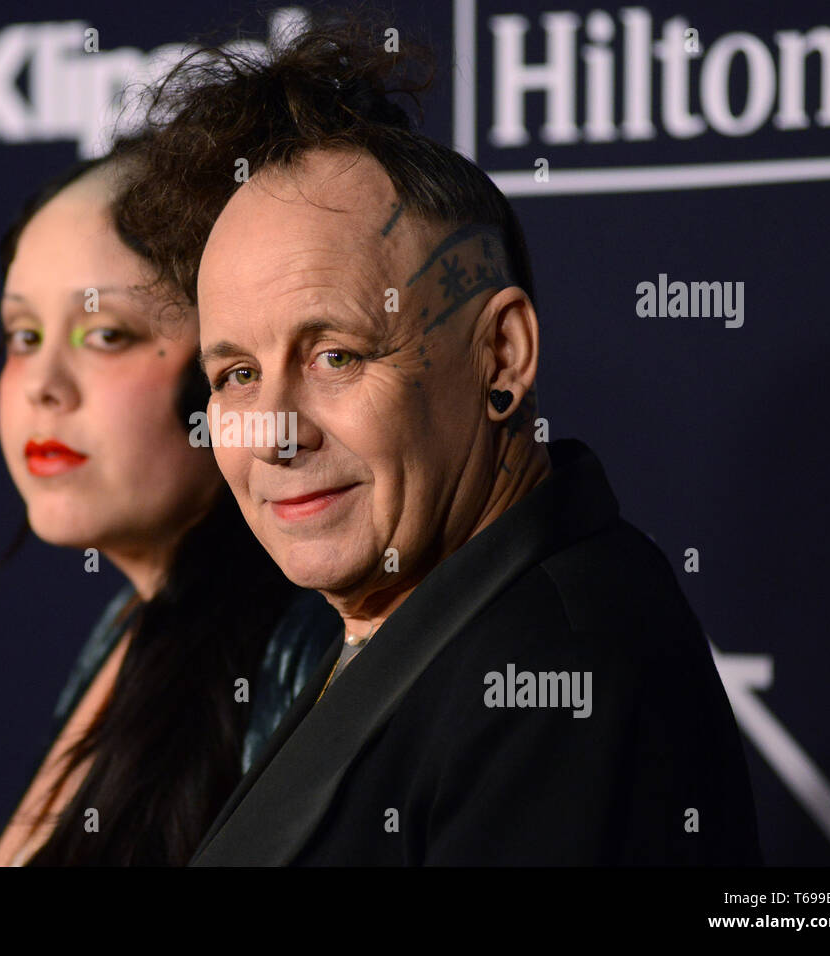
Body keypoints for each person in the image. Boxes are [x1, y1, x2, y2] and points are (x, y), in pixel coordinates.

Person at [112, 16, 763, 864]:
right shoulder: (405, 625)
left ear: (500, 355)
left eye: (335, 356)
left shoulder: (552, 677)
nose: (274, 432)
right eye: (236, 374)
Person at [0, 139, 340, 866]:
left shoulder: (310, 652)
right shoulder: (129, 625)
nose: (43, 384)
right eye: (24, 335)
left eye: (107, 334)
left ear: (233, 370)